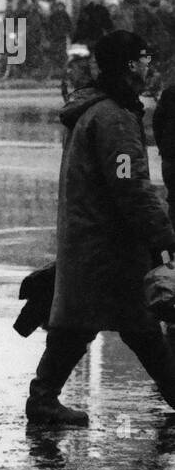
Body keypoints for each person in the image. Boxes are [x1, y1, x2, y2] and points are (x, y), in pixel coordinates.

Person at [27, 30, 175, 427]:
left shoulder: (98, 111)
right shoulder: (114, 119)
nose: (150, 67)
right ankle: (42, 399)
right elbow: (129, 186)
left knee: (97, 324)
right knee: (126, 324)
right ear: (129, 65)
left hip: (94, 239)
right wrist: (161, 234)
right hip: (109, 244)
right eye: (144, 58)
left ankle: (43, 398)